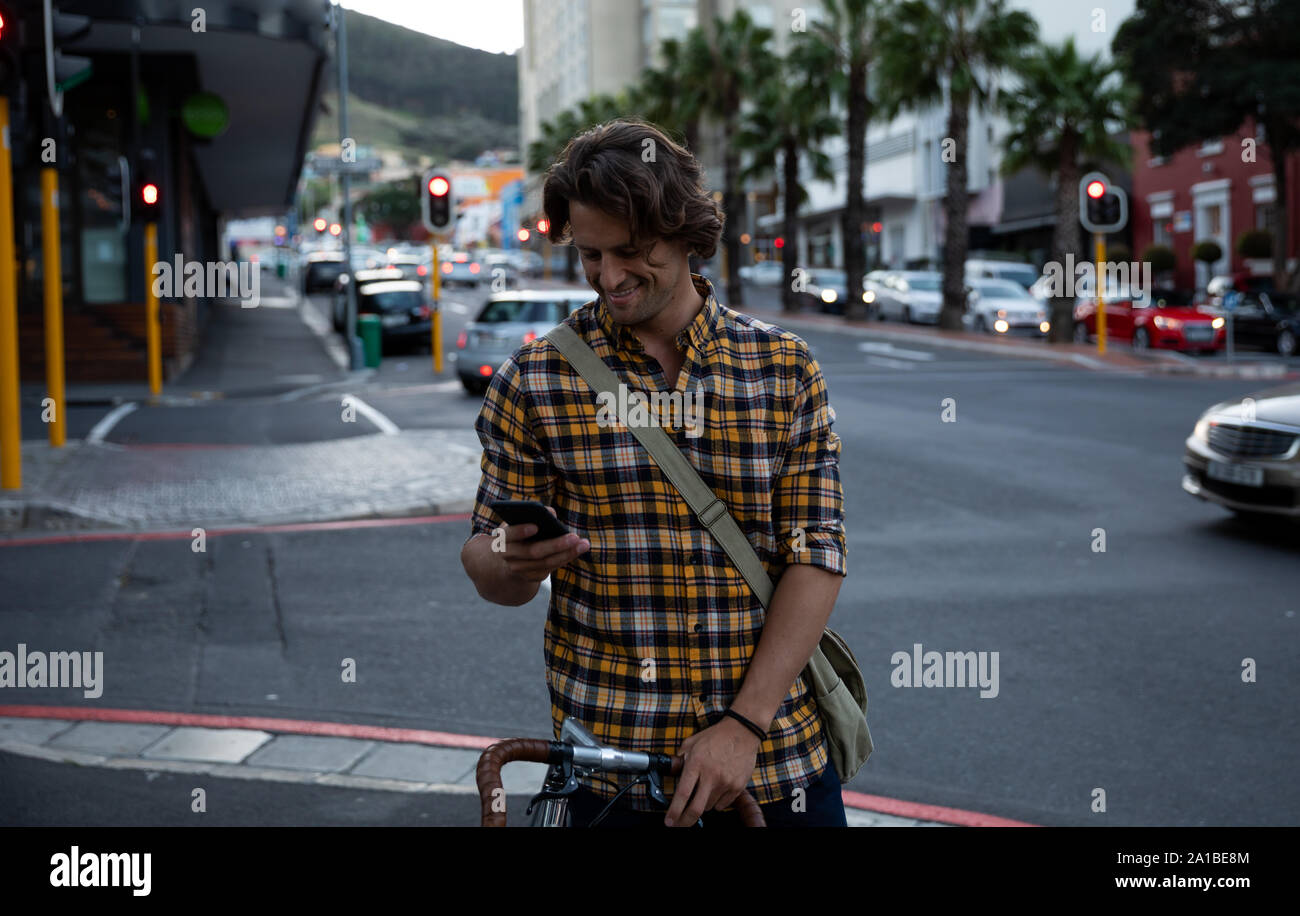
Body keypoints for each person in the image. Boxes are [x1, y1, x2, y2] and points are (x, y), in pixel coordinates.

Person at [460, 119, 848, 827]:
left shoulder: (784, 369)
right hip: (614, 780)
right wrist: (510, 563)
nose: (610, 277)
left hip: (776, 767)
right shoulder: (535, 380)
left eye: (632, 252)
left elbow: (815, 555)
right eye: (590, 254)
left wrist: (743, 726)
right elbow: (484, 557)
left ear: (687, 235)